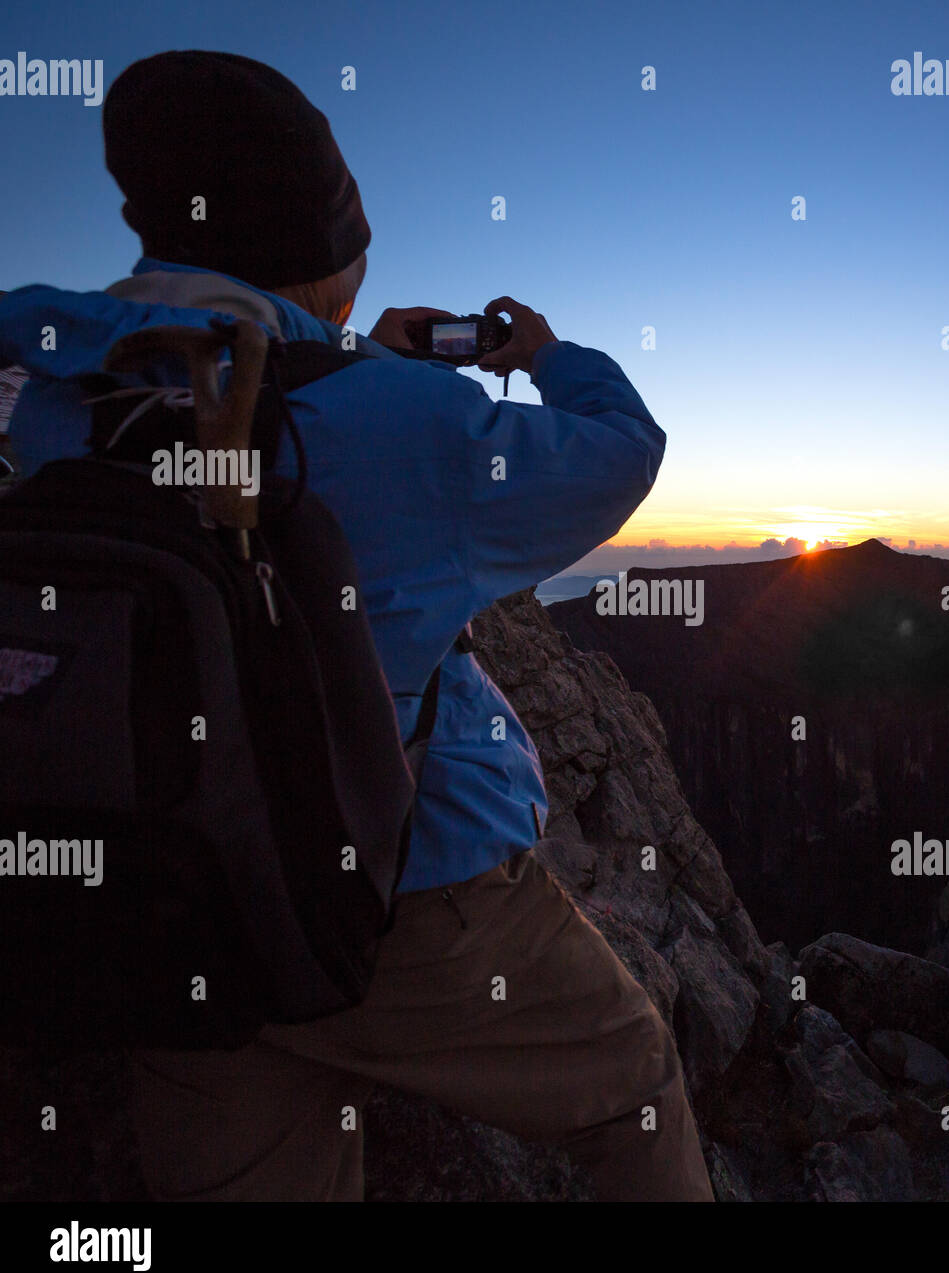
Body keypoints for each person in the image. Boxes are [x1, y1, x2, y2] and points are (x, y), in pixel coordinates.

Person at [0, 50, 713, 1202]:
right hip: (405, 912)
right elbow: (622, 455)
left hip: (165, 900)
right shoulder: (416, 420)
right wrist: (540, 358)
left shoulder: (48, 385)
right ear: (328, 254)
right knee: (634, 1084)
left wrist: (340, 355)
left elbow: (233, 411)